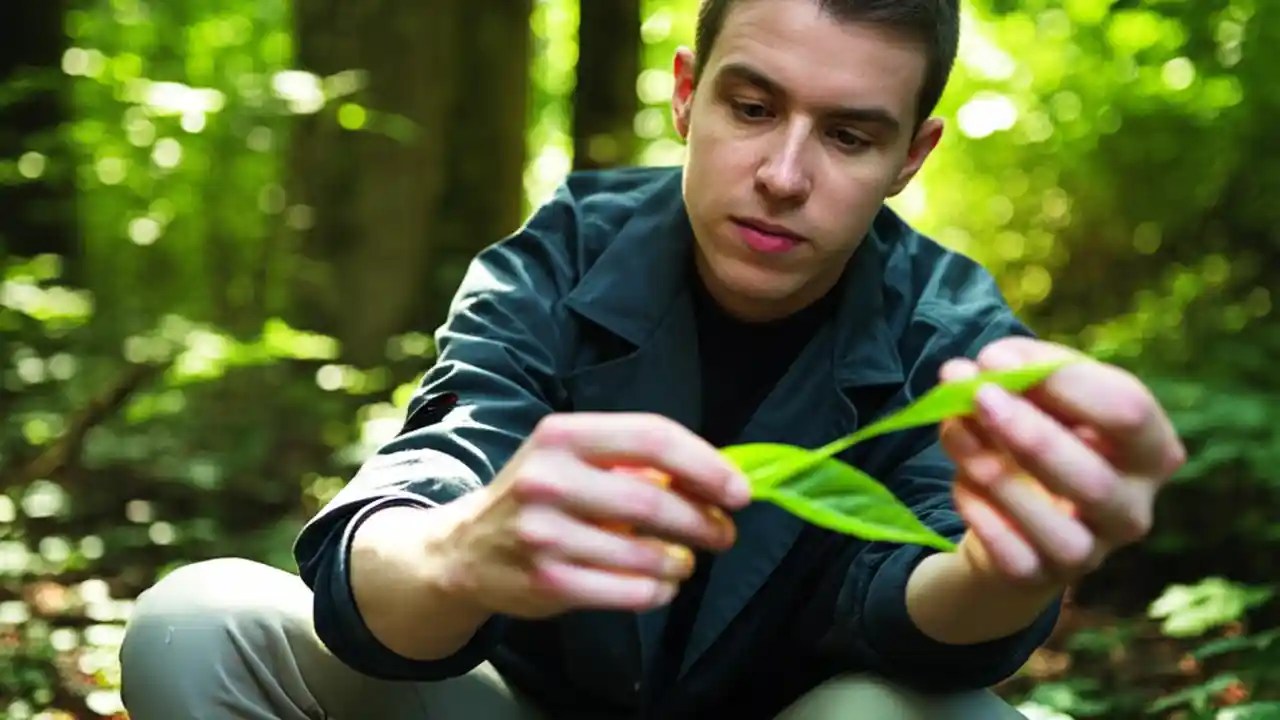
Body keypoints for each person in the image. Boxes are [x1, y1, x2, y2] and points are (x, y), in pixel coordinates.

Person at [118, 0, 1187, 718]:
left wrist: (1010, 570)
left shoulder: (949, 328)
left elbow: (912, 613)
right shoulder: (562, 254)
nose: (780, 173)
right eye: (752, 107)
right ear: (686, 94)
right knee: (193, 625)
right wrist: (458, 555)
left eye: (848, 136)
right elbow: (425, 482)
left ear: (911, 156)